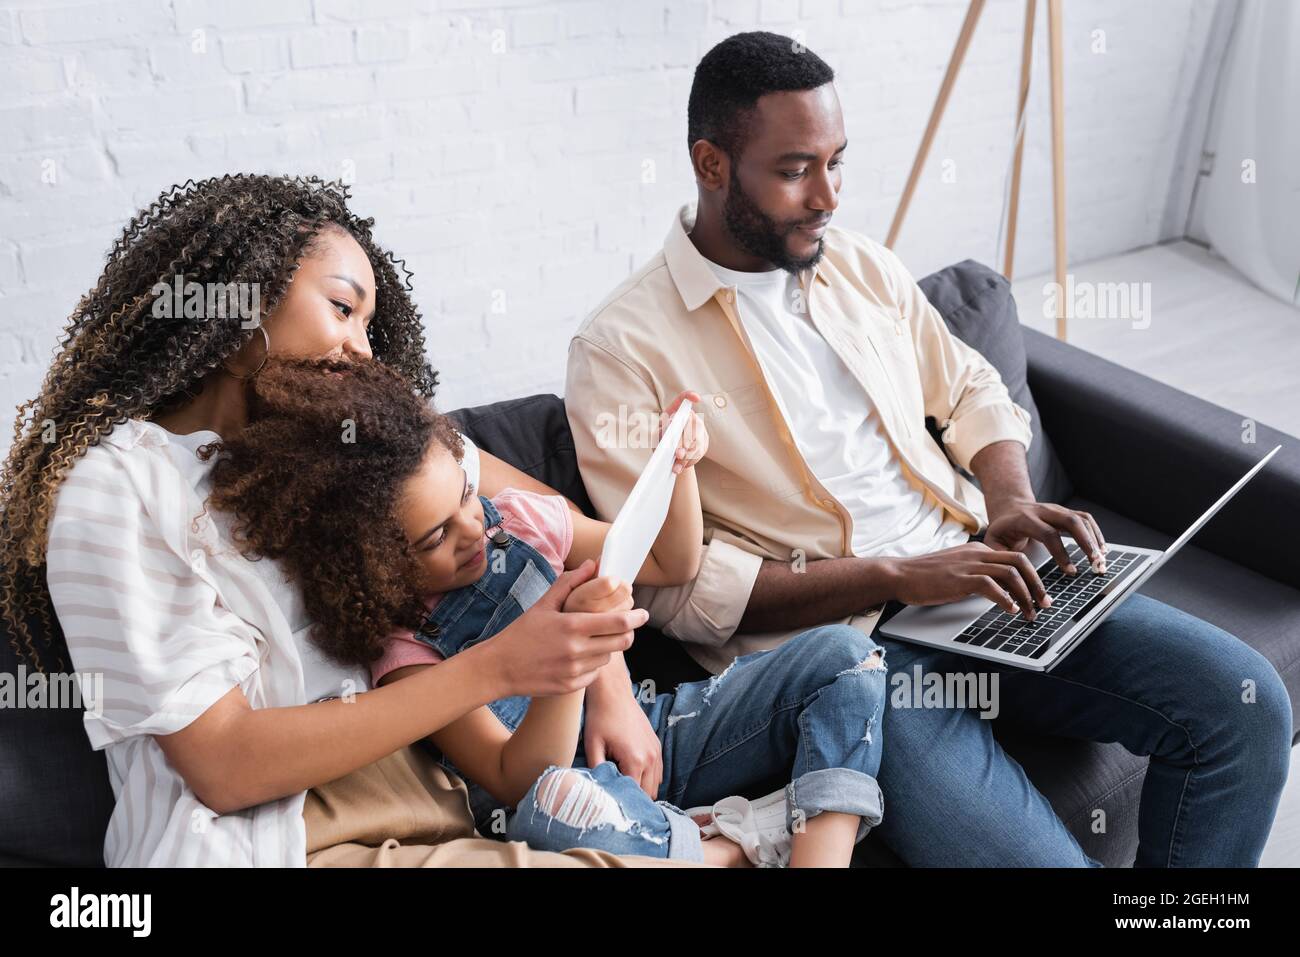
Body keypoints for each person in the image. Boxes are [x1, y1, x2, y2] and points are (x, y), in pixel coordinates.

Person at [565, 31, 1292, 867]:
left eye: (839, 162)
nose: (827, 196)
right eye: (796, 169)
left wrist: (1010, 503)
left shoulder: (860, 268)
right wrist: (896, 574)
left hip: (986, 586)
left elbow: (974, 389)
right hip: (856, 660)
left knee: (1245, 707)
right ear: (711, 164)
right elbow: (671, 590)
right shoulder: (622, 348)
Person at [0, 174, 690, 868]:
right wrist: (496, 669)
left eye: (368, 324)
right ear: (243, 299)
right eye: (342, 308)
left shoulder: (360, 450)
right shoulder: (119, 486)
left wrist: (598, 671)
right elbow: (224, 763)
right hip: (269, 842)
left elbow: (579, 540)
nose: (362, 348)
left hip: (438, 803)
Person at [197, 355, 889, 867]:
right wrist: (564, 662)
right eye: (435, 536)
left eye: (467, 493)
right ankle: (730, 843)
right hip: (570, 796)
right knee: (561, 808)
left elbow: (667, 562)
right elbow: (518, 777)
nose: (474, 529)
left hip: (651, 732)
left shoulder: (518, 519)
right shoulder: (404, 651)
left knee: (846, 657)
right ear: (369, 565)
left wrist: (676, 472)